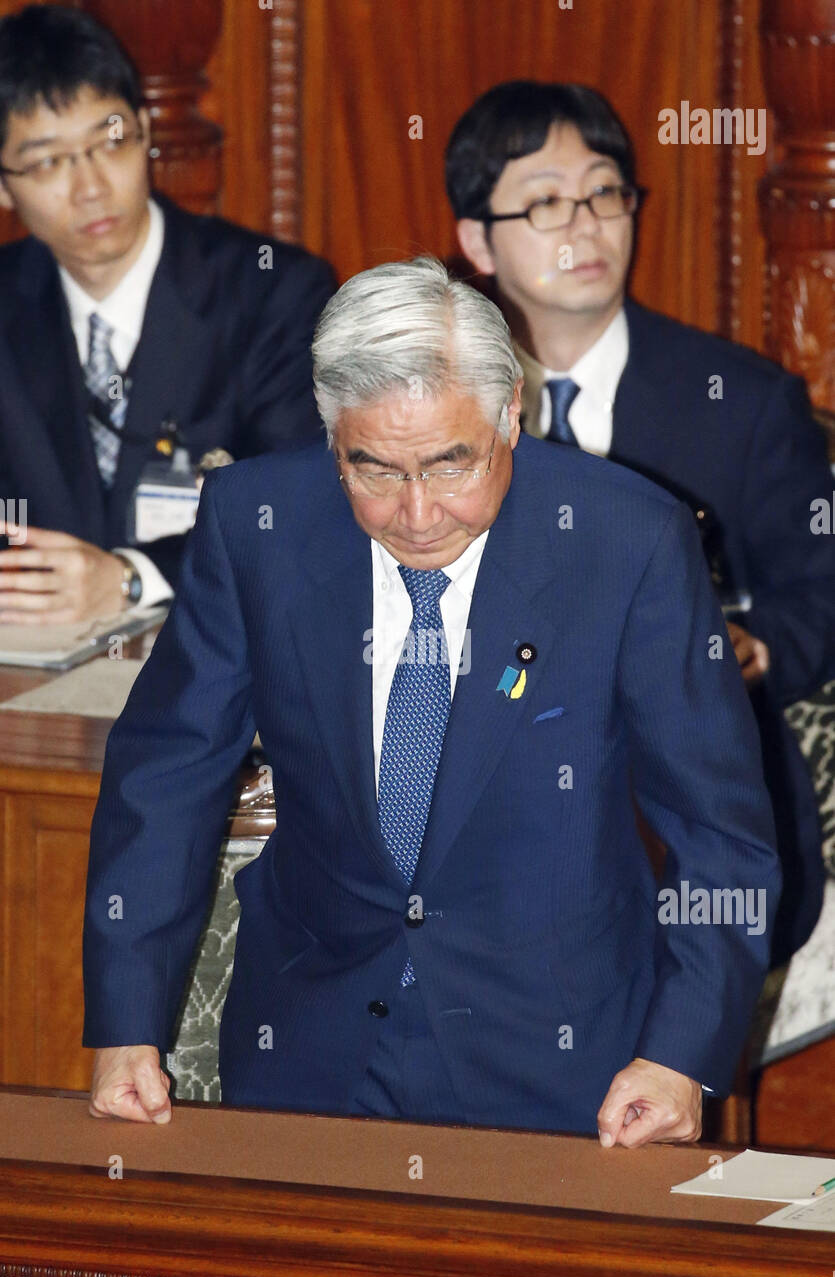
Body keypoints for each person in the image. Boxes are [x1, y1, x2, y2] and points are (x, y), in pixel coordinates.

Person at [83, 256, 780, 1146]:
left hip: (562, 1064)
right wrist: (124, 1022)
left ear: (510, 420)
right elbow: (165, 777)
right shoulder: (255, 522)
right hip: (307, 1045)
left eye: (451, 464)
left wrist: (679, 1056)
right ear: (331, 435)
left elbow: (719, 835)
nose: (416, 513)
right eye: (372, 468)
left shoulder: (626, 541)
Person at [445, 80, 835, 967]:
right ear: (477, 240)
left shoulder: (739, 401)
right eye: (544, 202)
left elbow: (821, 589)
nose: (584, 226)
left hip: (693, 805)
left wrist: (752, 645)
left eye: (604, 192)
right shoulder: (441, 406)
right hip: (482, 799)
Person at [0, 5, 334, 623]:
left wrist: (130, 580)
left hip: (225, 666)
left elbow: (305, 507)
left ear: (147, 130)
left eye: (111, 141)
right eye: (48, 162)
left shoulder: (273, 294)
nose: (91, 186)